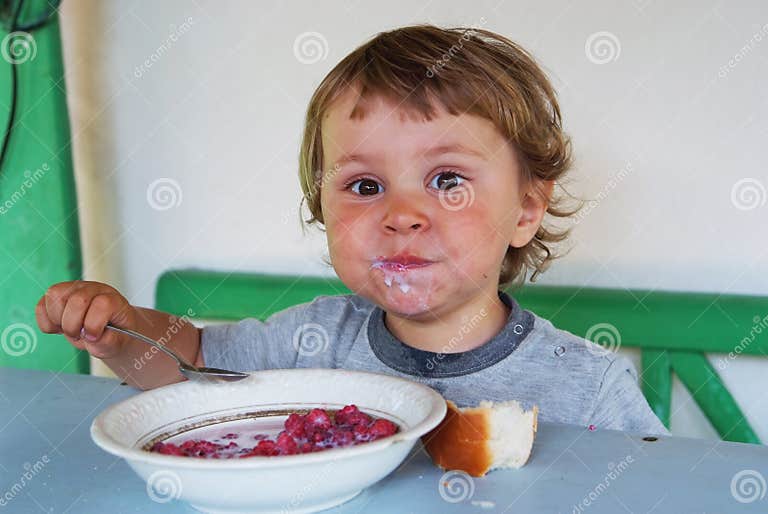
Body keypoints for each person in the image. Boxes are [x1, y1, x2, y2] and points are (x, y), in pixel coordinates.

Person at [35, 24, 667, 435]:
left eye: (448, 180)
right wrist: (118, 331)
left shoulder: (587, 389)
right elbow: (190, 365)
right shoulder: (313, 339)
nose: (400, 214)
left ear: (526, 210)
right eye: (365, 186)